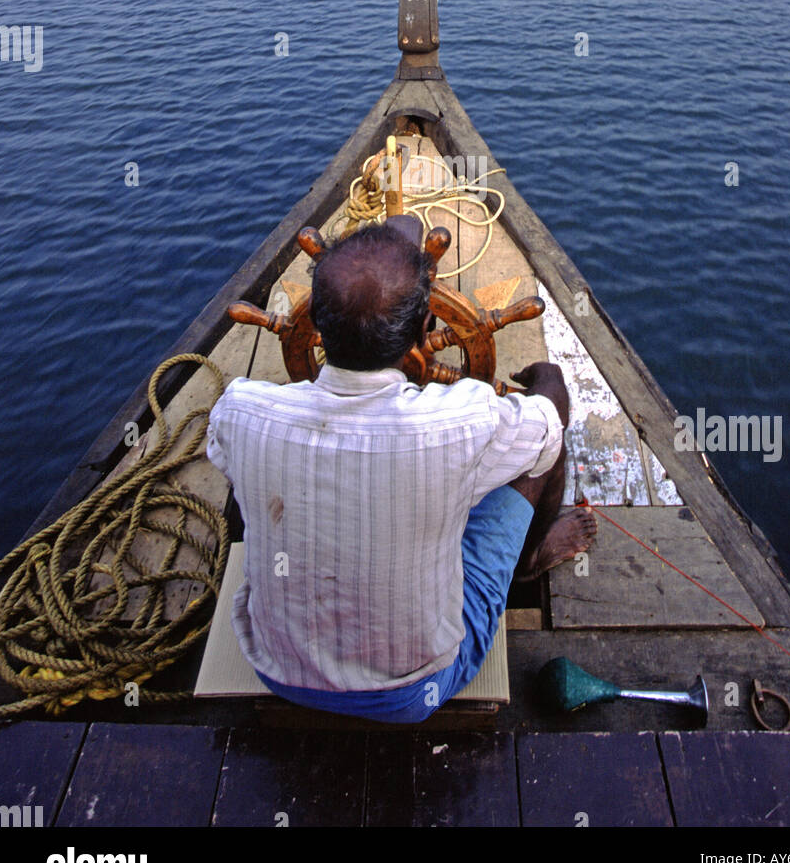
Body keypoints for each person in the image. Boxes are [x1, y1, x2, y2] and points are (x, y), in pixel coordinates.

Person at [206, 214, 596, 723]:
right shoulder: (466, 421)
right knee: (545, 434)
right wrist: (547, 378)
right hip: (415, 690)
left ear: (315, 324)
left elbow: (226, 453)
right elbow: (548, 423)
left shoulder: (240, 411)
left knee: (247, 475)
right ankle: (526, 563)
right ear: (424, 325)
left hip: (276, 669)